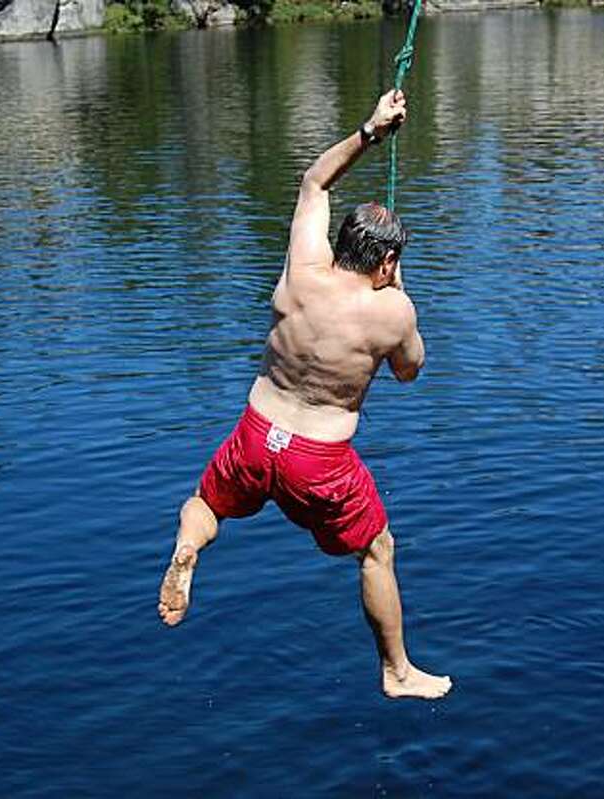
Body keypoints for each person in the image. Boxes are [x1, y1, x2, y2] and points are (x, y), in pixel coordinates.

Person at [157, 89, 452, 700]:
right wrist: (399, 292)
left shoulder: (301, 272)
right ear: (388, 262)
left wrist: (371, 130)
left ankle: (188, 549)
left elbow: (314, 182)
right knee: (376, 550)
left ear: (341, 244)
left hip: (255, 433)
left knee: (205, 506)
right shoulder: (391, 310)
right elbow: (409, 371)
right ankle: (397, 670)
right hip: (318, 458)